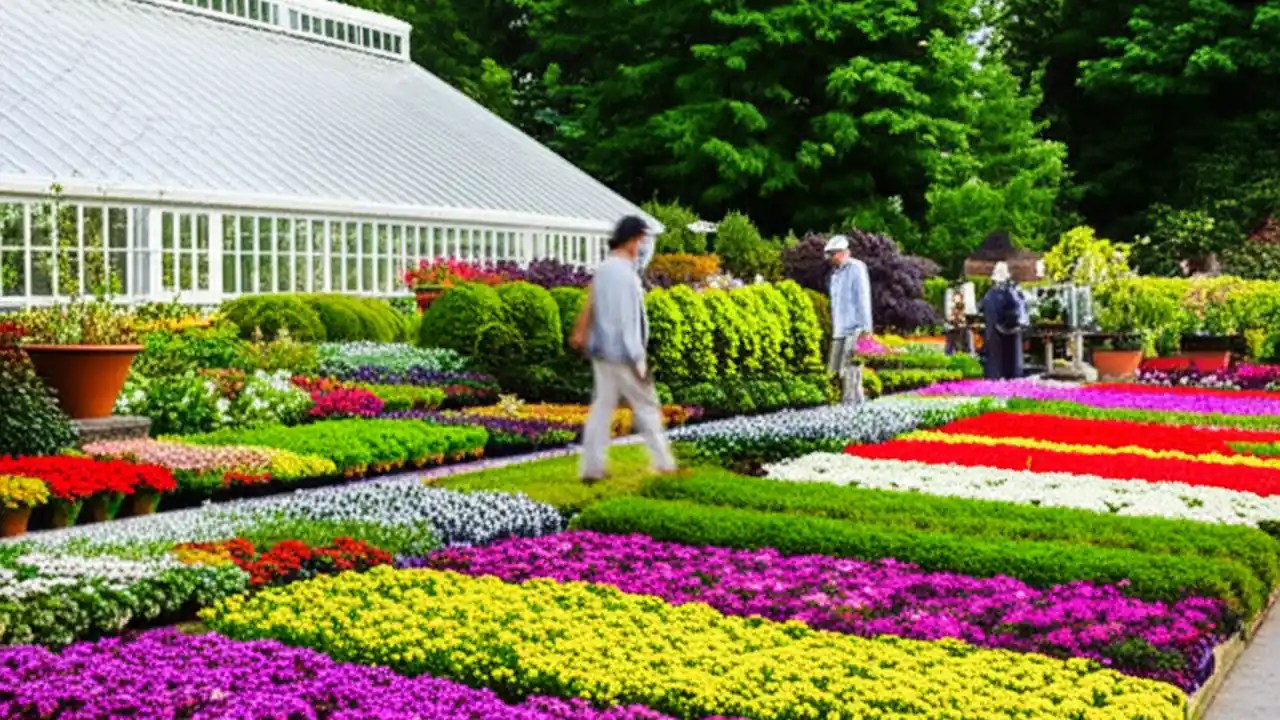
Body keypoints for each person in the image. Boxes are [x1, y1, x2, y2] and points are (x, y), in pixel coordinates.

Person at [569, 216, 676, 483]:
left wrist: (581, 333)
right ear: (631, 239)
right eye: (641, 240)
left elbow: (591, 304)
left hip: (602, 352)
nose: (642, 247)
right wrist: (639, 360)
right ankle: (664, 464)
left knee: (602, 407)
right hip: (624, 354)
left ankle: (591, 468)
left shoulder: (604, 269)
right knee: (647, 406)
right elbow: (627, 320)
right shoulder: (625, 275)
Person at [824, 235, 873, 403]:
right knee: (834, 369)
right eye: (830, 254)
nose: (831, 258)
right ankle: (848, 405)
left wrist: (866, 329)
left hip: (855, 329)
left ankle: (850, 406)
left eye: (834, 253)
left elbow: (863, 298)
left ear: (844, 252)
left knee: (851, 369)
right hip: (839, 329)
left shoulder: (856, 268)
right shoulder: (835, 275)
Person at [978, 261, 1029, 379]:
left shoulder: (989, 294)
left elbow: (980, 308)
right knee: (1009, 361)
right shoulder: (1011, 292)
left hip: (993, 332)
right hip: (1007, 333)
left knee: (995, 361)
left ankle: (996, 377)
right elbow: (1018, 312)